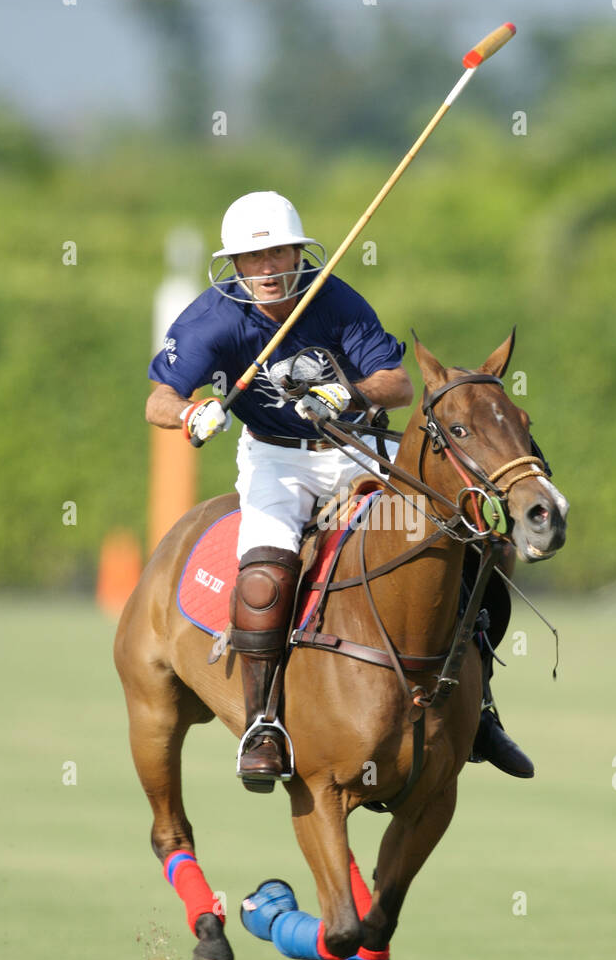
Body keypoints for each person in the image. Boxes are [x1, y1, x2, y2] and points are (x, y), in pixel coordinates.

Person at [146, 190, 534, 788]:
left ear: (301, 252)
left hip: (361, 449)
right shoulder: (212, 319)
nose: (269, 269)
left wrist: (349, 395)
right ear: (234, 265)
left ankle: (479, 711)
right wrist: (192, 415)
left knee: (475, 544)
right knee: (263, 575)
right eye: (254, 259)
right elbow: (158, 400)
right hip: (279, 461)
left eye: (280, 254)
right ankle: (263, 723)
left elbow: (399, 383)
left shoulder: (333, 300)